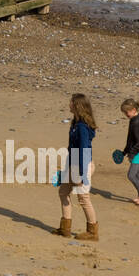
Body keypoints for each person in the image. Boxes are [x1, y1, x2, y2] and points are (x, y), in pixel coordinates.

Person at [54, 93, 99, 241]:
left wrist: (80, 174)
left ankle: (92, 232)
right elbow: (72, 149)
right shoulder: (75, 123)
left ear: (77, 106)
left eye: (71, 102)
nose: (69, 104)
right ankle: (65, 229)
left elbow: (84, 149)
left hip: (82, 165)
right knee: (63, 192)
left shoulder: (82, 127)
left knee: (83, 197)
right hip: (72, 164)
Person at [120, 99, 139, 205]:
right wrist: (124, 152)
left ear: (134, 110)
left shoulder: (137, 123)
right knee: (137, 175)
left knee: (131, 175)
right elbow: (130, 139)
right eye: (124, 112)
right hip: (136, 152)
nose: (126, 114)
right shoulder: (133, 120)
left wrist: (131, 152)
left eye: (127, 112)